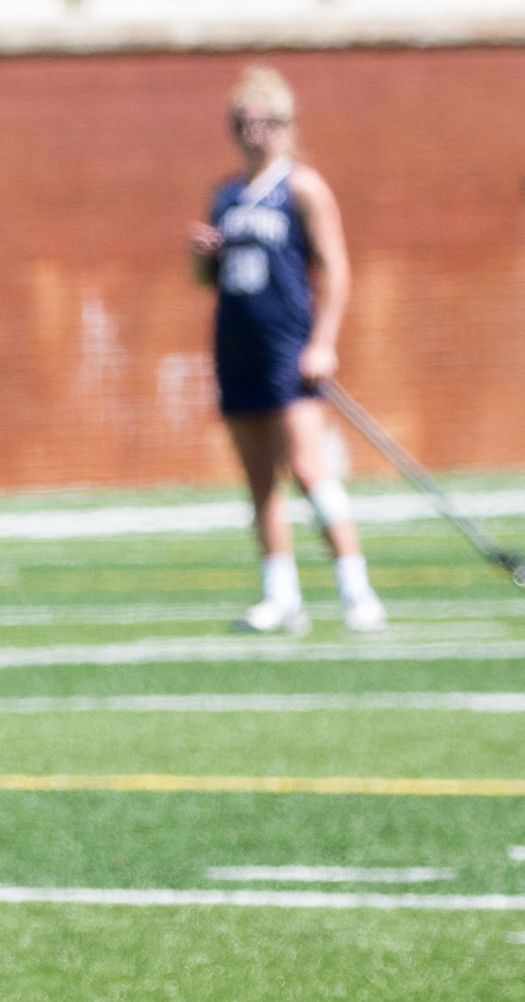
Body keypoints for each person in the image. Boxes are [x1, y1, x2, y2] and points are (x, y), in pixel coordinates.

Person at [188, 65, 386, 634]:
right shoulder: (225, 195)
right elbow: (208, 280)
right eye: (246, 123)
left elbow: (337, 267)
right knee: (258, 478)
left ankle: (356, 587)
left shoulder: (302, 187)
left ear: (286, 126)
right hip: (236, 347)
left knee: (306, 465)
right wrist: (204, 254)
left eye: (268, 122)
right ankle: (281, 595)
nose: (257, 133)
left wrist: (322, 343)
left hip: (287, 348)